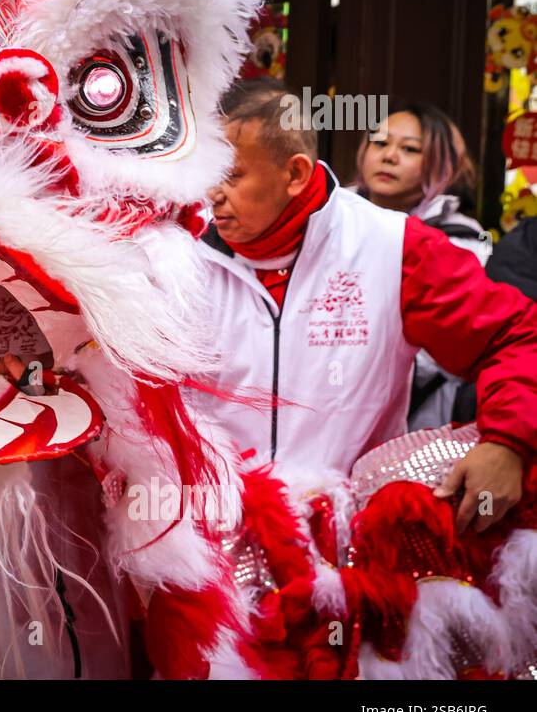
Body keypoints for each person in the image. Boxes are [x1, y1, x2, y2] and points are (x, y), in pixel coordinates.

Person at [199, 78, 537, 533]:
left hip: (351, 544)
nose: (210, 192)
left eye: (231, 175)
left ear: (296, 174)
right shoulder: (178, 246)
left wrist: (508, 443)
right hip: (208, 538)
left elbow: (515, 337)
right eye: (203, 171)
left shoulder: (395, 247)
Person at [352, 100, 491, 428]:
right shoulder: (325, 220)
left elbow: (450, 343)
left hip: (419, 413)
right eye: (380, 143)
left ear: (442, 163)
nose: (389, 156)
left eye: (410, 149)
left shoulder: (462, 242)